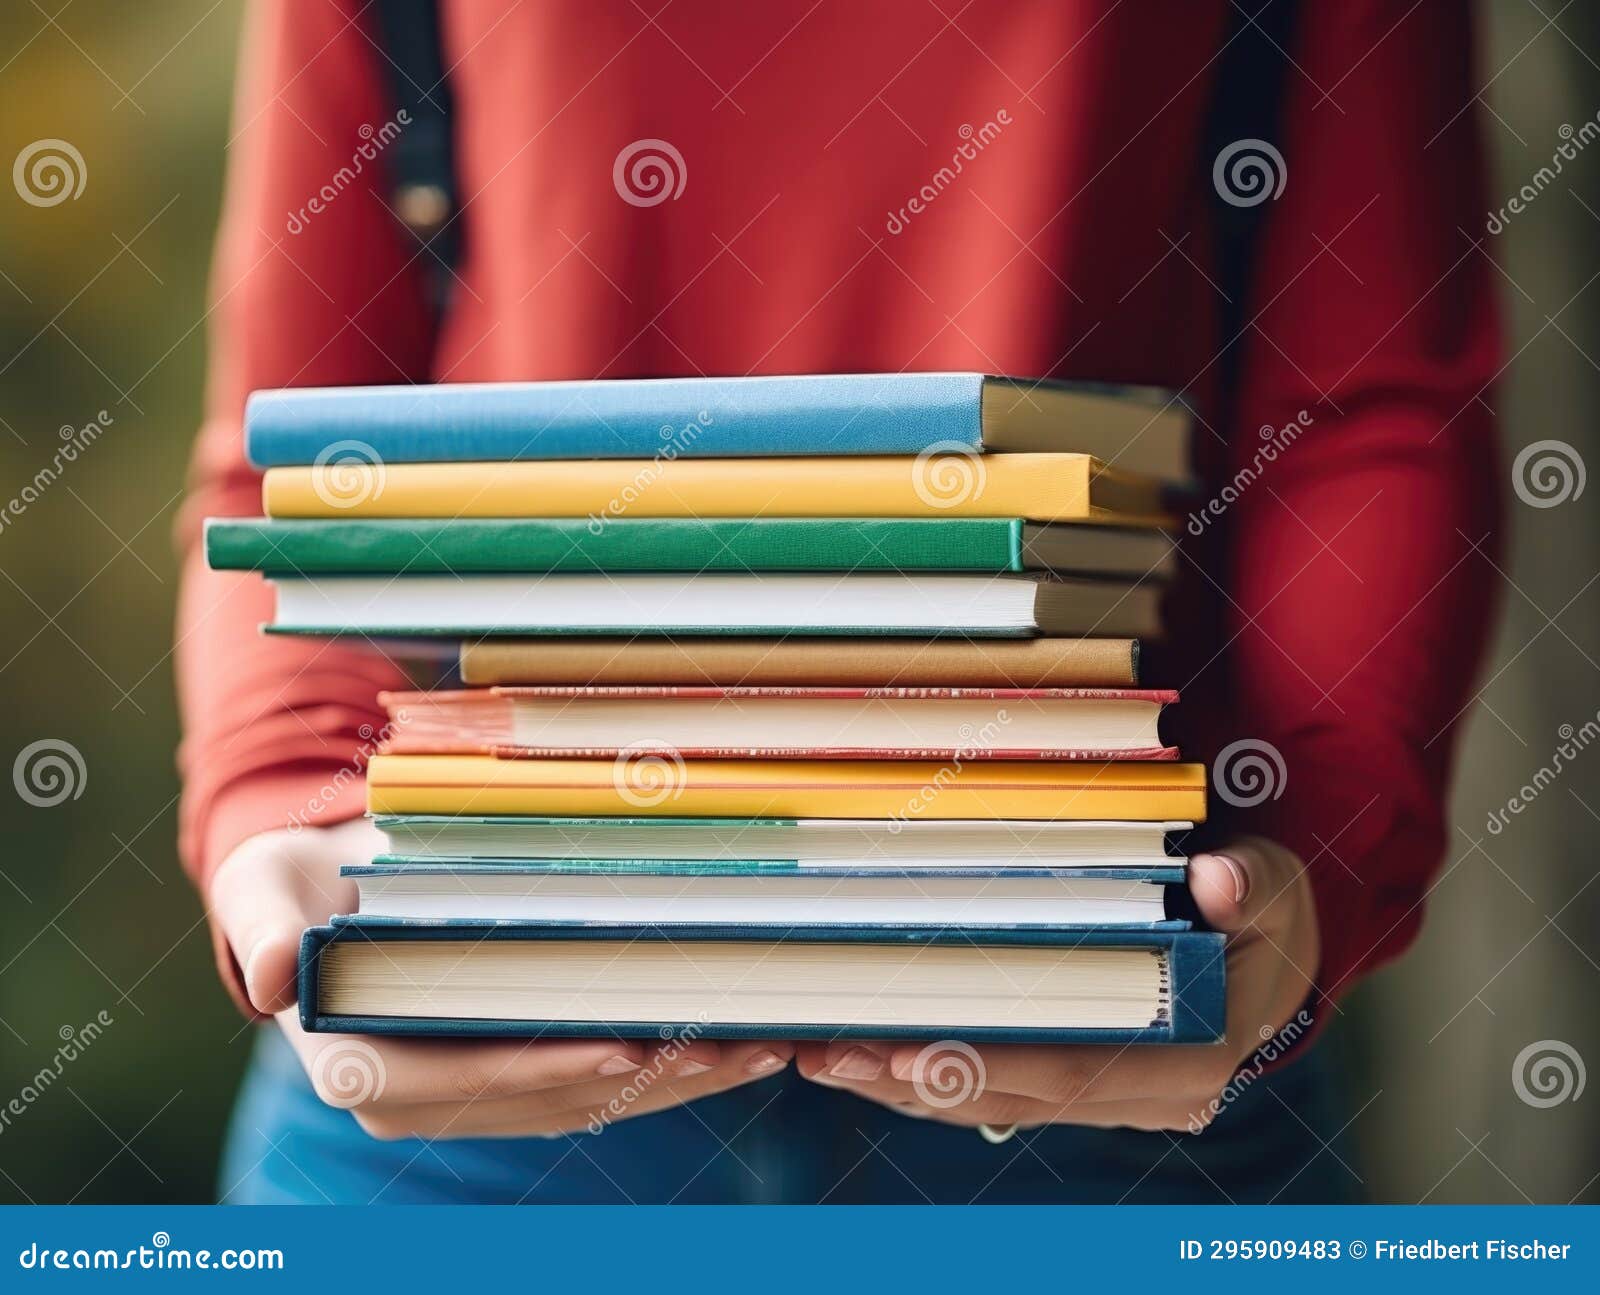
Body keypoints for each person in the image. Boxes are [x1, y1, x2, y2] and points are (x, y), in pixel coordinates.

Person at [178, 1, 1501, 1204]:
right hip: (465, 1021)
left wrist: (1310, 851)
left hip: (1114, 1026)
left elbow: (1364, 400)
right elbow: (298, 450)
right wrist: (290, 810)